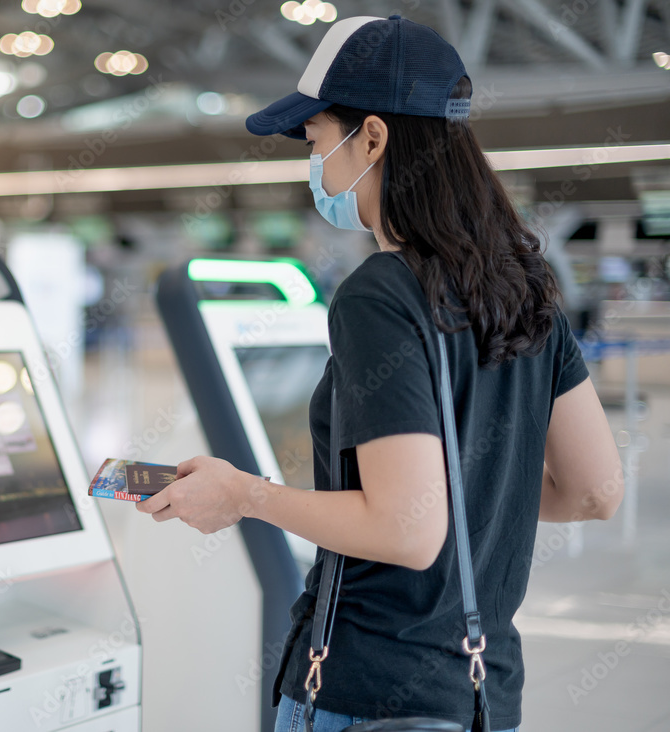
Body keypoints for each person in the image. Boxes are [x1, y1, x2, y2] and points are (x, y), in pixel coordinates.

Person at [137, 14, 624, 732]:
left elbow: (406, 529)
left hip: (367, 693)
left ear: (371, 137)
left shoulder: (380, 293)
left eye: (315, 140)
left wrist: (243, 494)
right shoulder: (526, 287)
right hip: (482, 694)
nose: (313, 164)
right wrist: (476, 491)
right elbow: (595, 491)